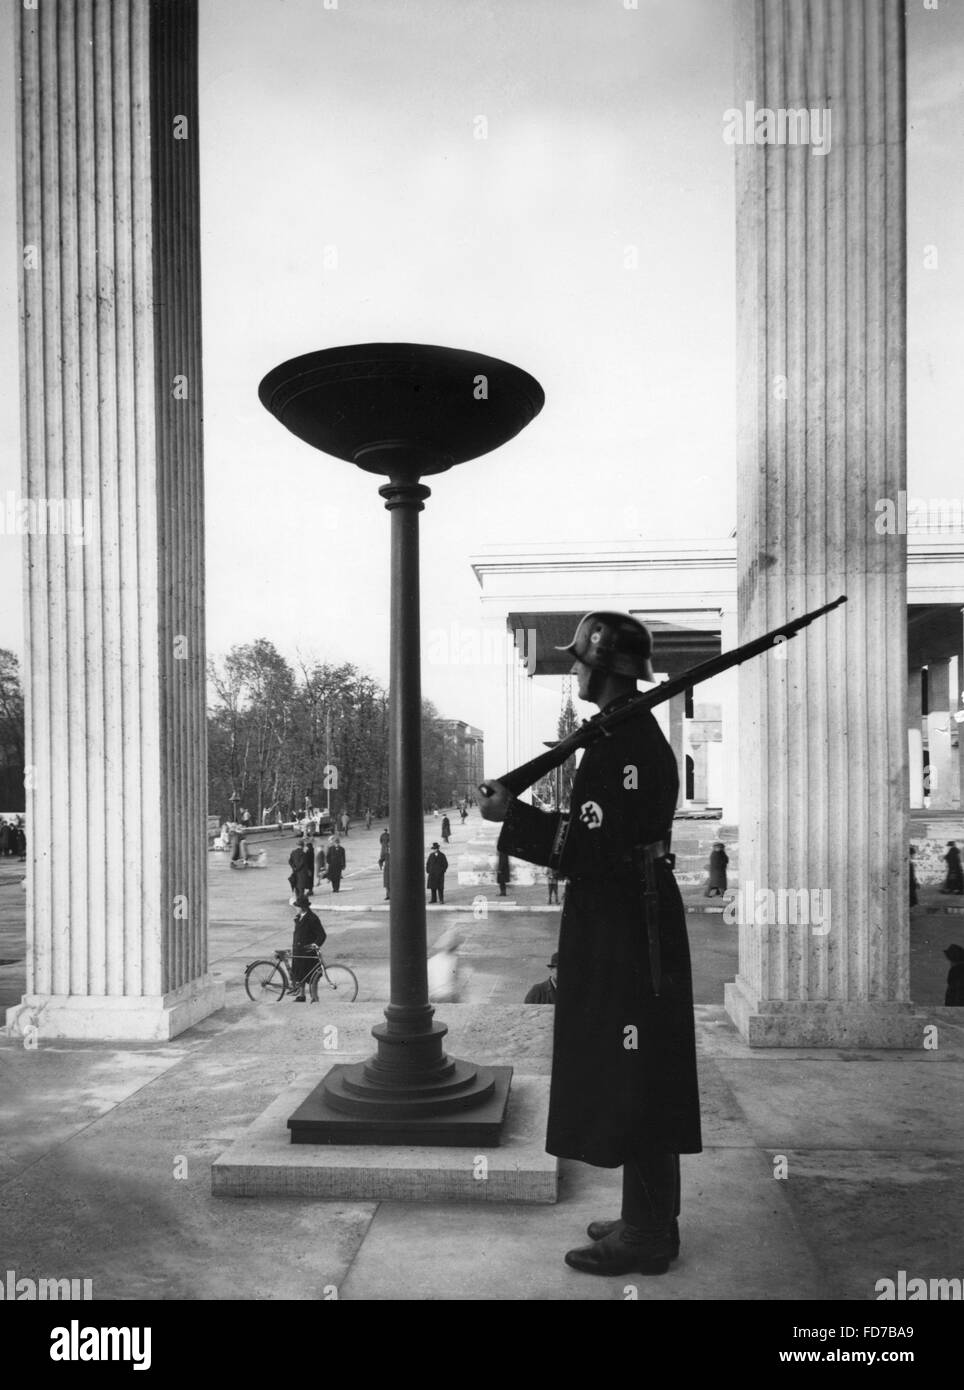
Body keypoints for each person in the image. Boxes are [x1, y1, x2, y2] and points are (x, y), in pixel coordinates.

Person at [479, 610, 701, 1277]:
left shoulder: (621, 743)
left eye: (579, 660)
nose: (572, 669)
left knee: (637, 1073)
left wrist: (510, 817)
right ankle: (649, 1216)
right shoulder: (622, 732)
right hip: (632, 912)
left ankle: (648, 1235)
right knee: (643, 1070)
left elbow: (588, 850)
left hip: (624, 923)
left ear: (604, 668)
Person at [290, 894, 326, 1002]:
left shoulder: (312, 918)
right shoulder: (299, 917)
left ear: (302, 907)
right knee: (300, 975)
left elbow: (322, 935)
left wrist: (316, 945)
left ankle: (315, 997)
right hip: (298, 950)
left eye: (297, 906)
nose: (295, 908)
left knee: (313, 976)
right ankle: (302, 995)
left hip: (308, 952)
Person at [427, 927, 465, 1002]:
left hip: (433, 996)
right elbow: (456, 984)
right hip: (447, 997)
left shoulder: (432, 960)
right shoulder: (454, 960)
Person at [379, 834, 391, 901]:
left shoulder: (395, 852)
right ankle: (388, 895)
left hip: (393, 869)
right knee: (387, 883)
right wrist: (380, 862)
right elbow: (382, 858)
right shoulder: (386, 852)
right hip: (387, 869)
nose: (388, 846)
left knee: (391, 882)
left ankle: (392, 895)